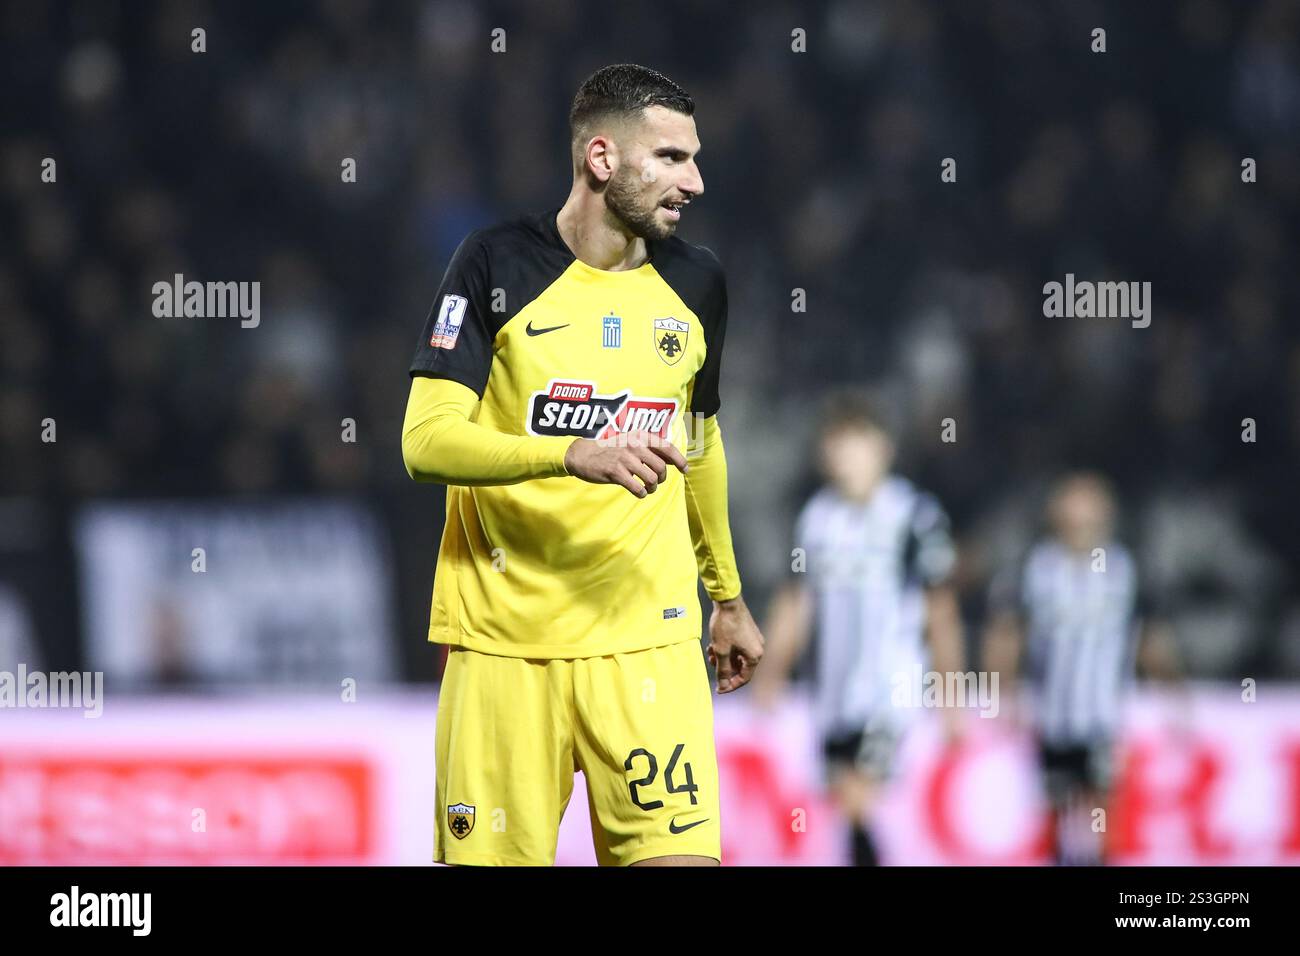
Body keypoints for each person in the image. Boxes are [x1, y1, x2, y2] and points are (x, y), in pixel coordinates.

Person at [401, 63, 764, 866]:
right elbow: (424, 444)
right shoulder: (495, 266)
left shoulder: (698, 282)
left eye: (694, 158)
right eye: (671, 158)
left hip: (650, 642)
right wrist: (569, 453)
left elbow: (699, 443)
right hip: (505, 649)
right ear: (602, 159)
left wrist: (728, 596)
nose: (695, 180)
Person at [754, 392, 964, 865]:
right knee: (844, 799)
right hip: (833, 692)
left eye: (855, 445)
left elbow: (941, 606)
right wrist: (770, 672)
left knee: (859, 793)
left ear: (882, 448)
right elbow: (796, 601)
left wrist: (951, 692)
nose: (845, 458)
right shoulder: (817, 520)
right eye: (836, 448)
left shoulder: (914, 515)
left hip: (890, 687)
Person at [983, 472, 1179, 865]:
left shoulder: (1125, 570)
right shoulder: (1035, 567)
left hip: (1103, 720)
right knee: (1057, 813)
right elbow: (1006, 634)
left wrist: (1174, 695)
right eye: (1071, 503)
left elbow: (1150, 640)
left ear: (1106, 511)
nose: (1079, 515)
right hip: (1052, 717)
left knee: (1102, 813)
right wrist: (1003, 692)